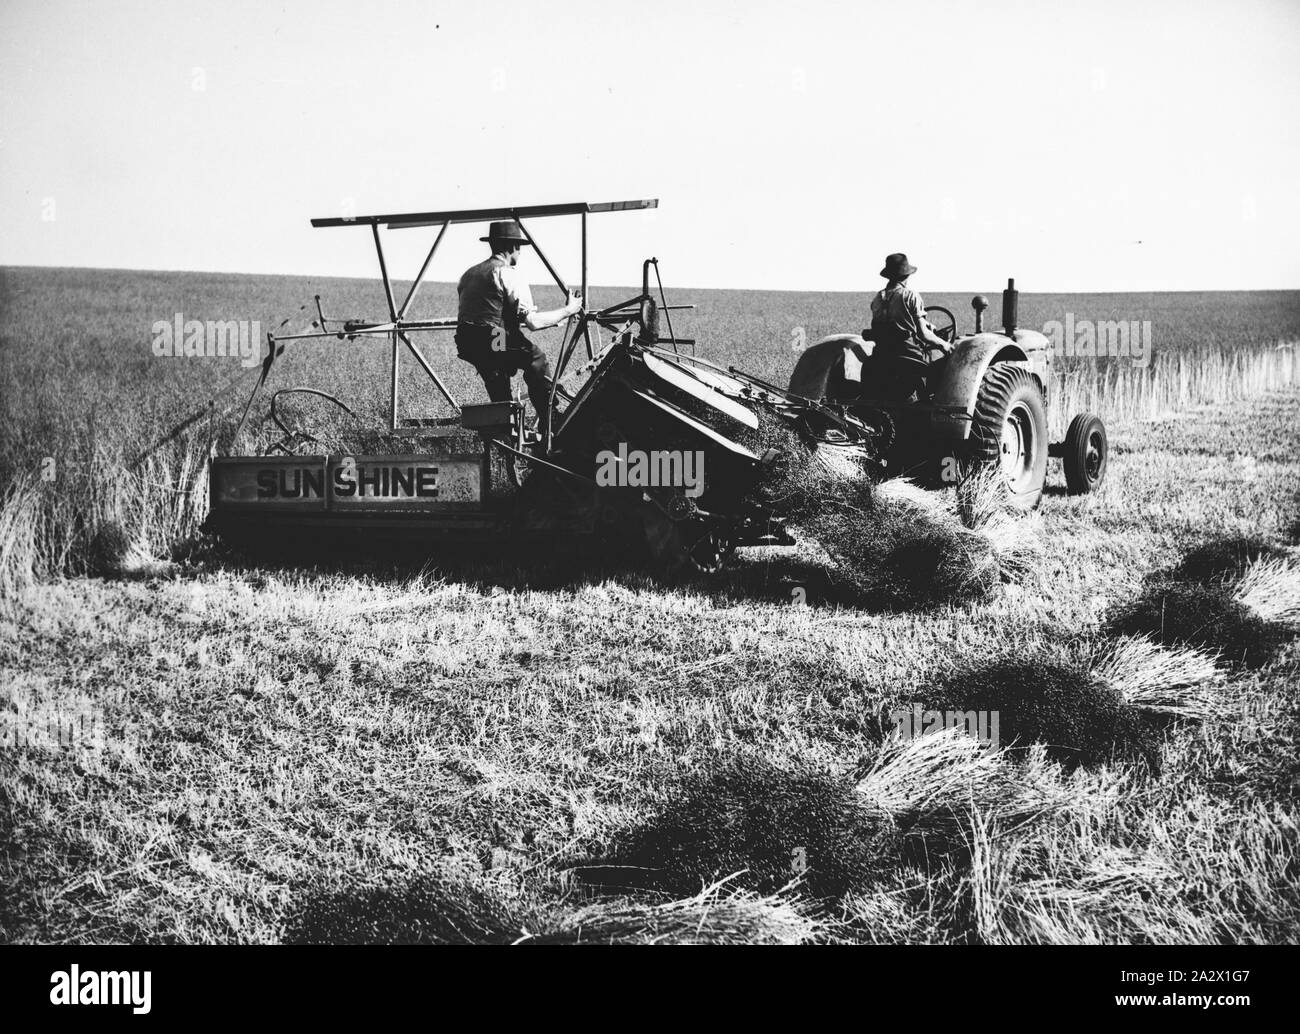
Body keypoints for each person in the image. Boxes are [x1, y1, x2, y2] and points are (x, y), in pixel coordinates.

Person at [455, 220, 582, 428]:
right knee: (536, 358)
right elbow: (531, 322)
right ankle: (549, 419)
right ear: (512, 247)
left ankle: (506, 430)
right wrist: (569, 310)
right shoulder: (508, 273)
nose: (520, 253)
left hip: (467, 342)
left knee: (499, 383)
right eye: (519, 248)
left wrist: (555, 320)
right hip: (494, 338)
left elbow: (490, 311)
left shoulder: (469, 274)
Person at [869, 253, 952, 402]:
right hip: (908, 357)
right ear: (906, 276)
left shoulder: (877, 299)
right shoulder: (910, 295)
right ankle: (937, 402)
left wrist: (927, 325)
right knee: (947, 360)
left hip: (882, 355)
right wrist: (944, 344)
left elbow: (890, 323)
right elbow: (924, 335)